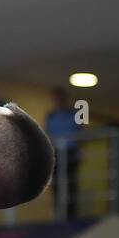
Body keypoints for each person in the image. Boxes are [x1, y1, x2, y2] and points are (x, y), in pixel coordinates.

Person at [45, 87, 80, 218]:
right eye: (56, 98)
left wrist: (80, 150)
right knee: (57, 183)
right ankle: (58, 211)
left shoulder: (74, 114)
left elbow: (80, 131)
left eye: (60, 97)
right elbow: (47, 133)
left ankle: (72, 213)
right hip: (56, 151)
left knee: (71, 182)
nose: (58, 100)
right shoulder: (51, 115)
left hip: (71, 150)